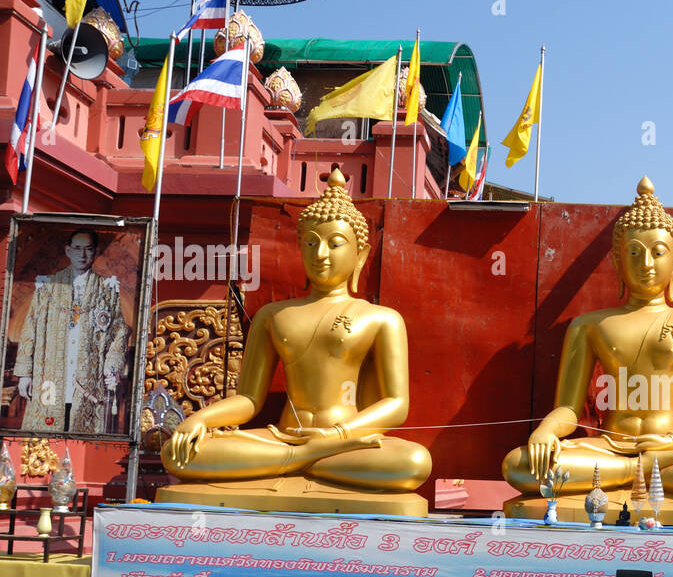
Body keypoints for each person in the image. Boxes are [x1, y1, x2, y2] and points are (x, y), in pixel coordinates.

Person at [502, 176, 673, 502]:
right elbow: (568, 407)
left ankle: (642, 470)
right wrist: (547, 429)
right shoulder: (589, 325)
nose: (646, 264)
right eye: (634, 253)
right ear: (618, 262)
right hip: (609, 448)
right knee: (520, 465)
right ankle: (642, 471)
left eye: (658, 253)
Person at [163, 169, 431, 492]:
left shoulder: (381, 319)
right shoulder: (272, 315)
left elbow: (396, 404)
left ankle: (297, 459)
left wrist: (338, 435)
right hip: (283, 436)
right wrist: (200, 419)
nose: (320, 255)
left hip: (346, 440)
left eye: (335, 244)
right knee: (177, 454)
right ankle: (306, 457)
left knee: (414, 462)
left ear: (360, 254)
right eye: (310, 242)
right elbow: (249, 399)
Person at [13, 230, 128, 434]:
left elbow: (118, 334)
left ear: (96, 252)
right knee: (47, 431)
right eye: (77, 248)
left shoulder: (107, 290)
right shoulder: (48, 287)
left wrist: (111, 370)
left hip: (87, 378)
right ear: (68, 250)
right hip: (50, 375)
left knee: (81, 434)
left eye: (88, 249)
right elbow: (29, 329)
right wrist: (24, 374)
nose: (82, 255)